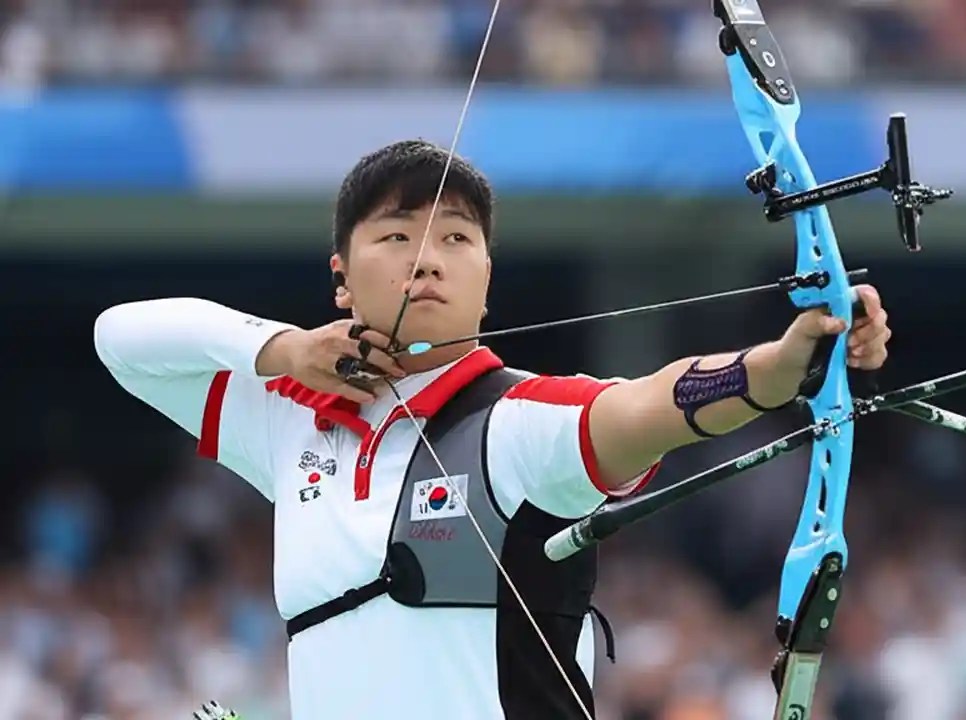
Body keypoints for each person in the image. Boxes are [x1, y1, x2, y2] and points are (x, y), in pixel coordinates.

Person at [93, 139, 892, 720]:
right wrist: (284, 350)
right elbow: (122, 339)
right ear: (341, 276)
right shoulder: (287, 418)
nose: (428, 259)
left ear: (486, 278)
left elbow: (649, 403)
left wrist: (780, 366)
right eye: (397, 235)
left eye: (457, 239)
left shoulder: (516, 422)